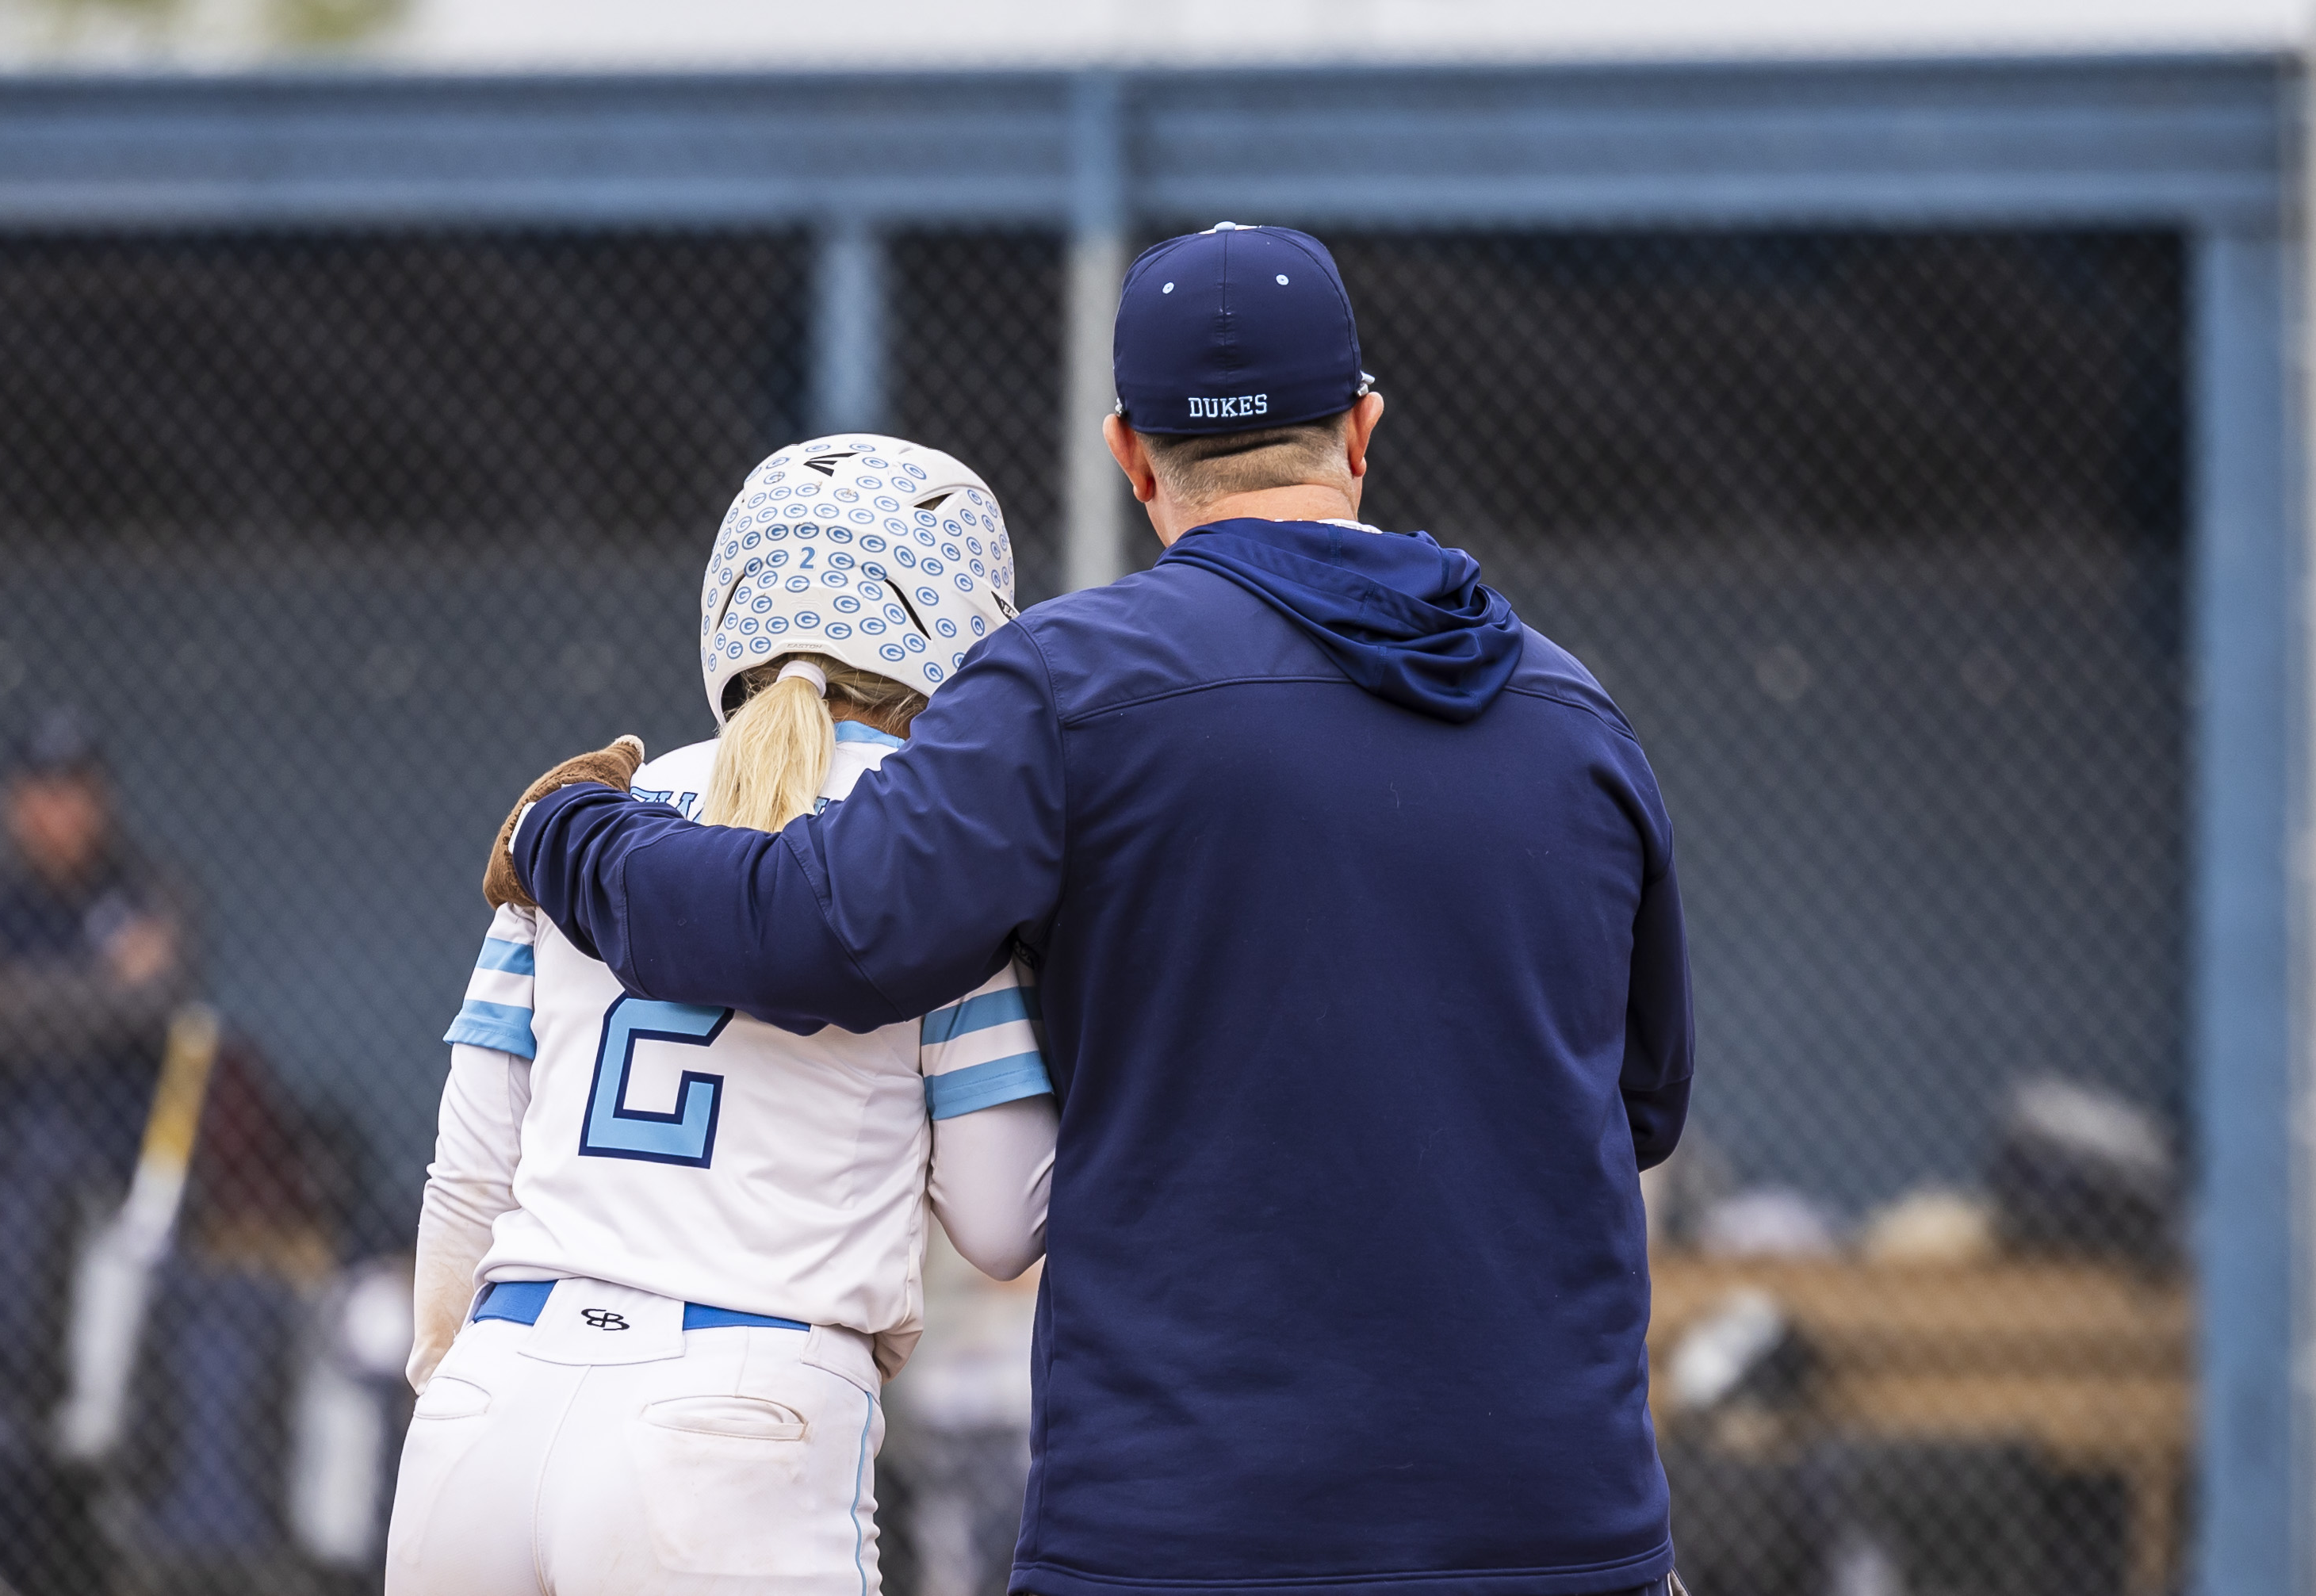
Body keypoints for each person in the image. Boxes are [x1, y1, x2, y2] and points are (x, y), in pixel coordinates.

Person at [492, 225, 1695, 1596]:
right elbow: (1642, 1100)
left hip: (1190, 1528)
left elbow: (811, 923)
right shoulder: (1569, 714)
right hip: (1556, 1528)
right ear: (1358, 429)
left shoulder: (1067, 686)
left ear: (1129, 456)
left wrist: (568, 831)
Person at [387, 436, 1061, 1596]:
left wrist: (455, 1392)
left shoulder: (579, 808)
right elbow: (1000, 1220)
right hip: (742, 1409)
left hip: (485, 1408)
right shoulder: (931, 853)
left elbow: (467, 1180)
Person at [0, 709, 198, 1596]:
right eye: (43, 792)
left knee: (34, 1171)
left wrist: (29, 1005)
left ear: (100, 797)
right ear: (14, 801)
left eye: (76, 790)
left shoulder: (146, 886)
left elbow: (163, 1005)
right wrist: (94, 997)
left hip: (105, 1165)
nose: (60, 811)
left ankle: (15, 1454)